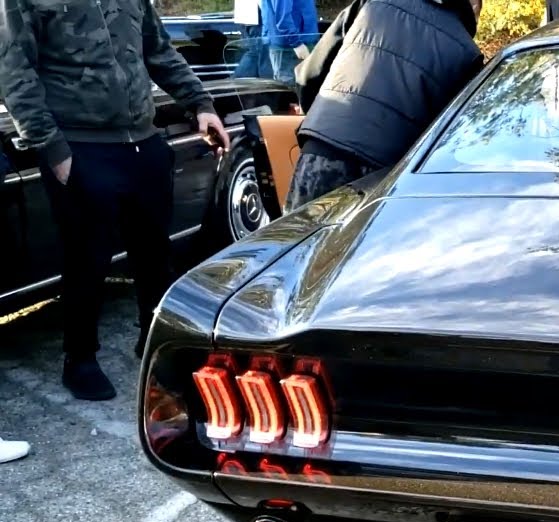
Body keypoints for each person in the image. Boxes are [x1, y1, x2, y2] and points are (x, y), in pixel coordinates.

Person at [0, 0, 230, 401]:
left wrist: (200, 103)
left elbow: (157, 48)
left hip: (142, 140)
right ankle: (81, 359)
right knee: (87, 260)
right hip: (81, 145)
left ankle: (155, 343)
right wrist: (53, 149)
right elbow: (14, 68)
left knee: (155, 252)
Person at [285, 0, 485, 211]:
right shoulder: (467, 52)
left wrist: (317, 118)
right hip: (383, 175)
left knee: (298, 240)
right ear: (473, 7)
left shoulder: (373, 3)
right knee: (351, 245)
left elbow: (310, 75)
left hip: (321, 147)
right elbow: (448, 143)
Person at [294, 0, 370, 112]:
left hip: (356, 111)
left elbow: (309, 76)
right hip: (295, 43)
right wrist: (295, 43)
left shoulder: (367, 7)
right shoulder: (365, 7)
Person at [261, 0, 320, 89]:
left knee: (306, 89)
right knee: (289, 90)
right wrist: (296, 43)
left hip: (303, 41)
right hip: (289, 47)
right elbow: (282, 17)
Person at [232, 0, 274, 79]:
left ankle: (236, 82)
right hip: (256, 13)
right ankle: (237, 82)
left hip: (248, 12)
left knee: (255, 52)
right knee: (262, 53)